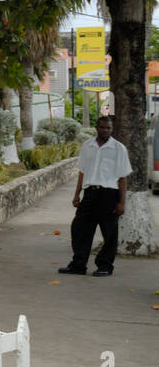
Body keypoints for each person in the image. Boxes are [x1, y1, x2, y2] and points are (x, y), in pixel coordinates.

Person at [58, 115, 131, 277]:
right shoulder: (87, 146)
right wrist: (77, 195)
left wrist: (122, 203)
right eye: (103, 127)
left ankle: (104, 265)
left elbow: (123, 177)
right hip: (90, 194)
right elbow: (82, 172)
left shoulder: (119, 148)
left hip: (109, 195)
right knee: (79, 229)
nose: (105, 130)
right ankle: (78, 265)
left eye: (109, 128)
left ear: (112, 130)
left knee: (109, 233)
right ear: (96, 128)